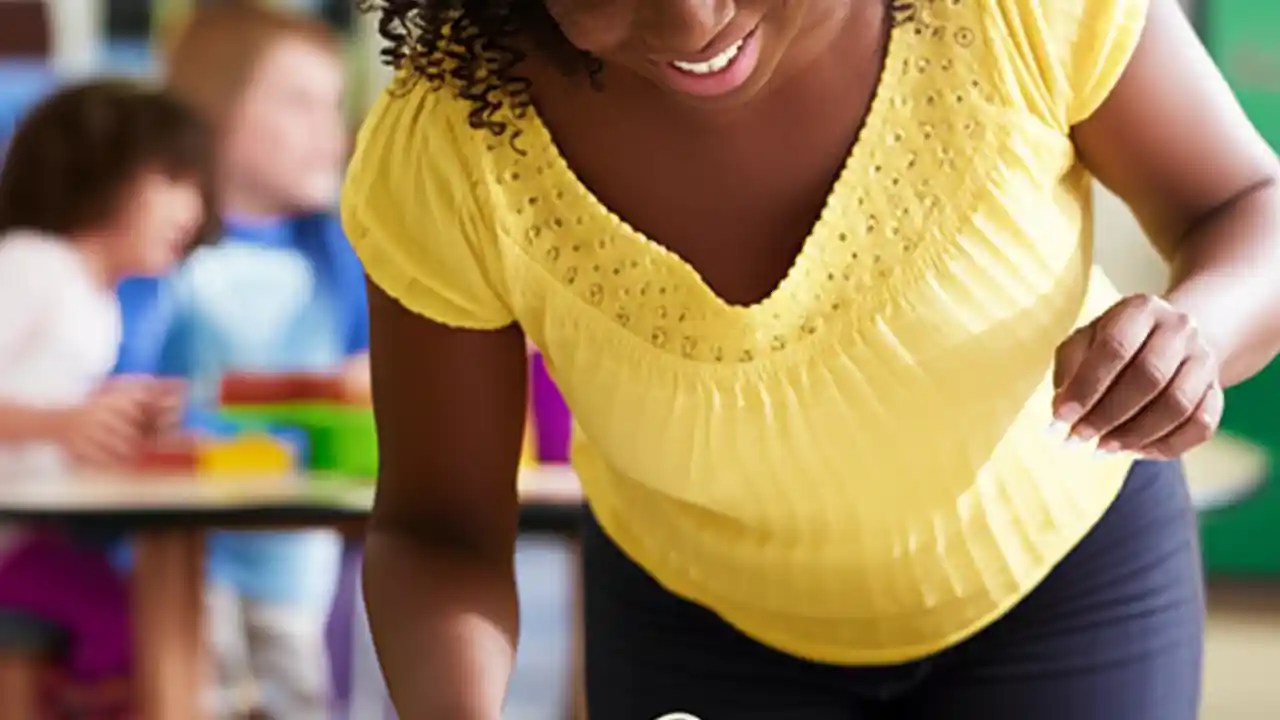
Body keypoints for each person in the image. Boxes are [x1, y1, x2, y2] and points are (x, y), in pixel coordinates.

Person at [346, 0, 1280, 718]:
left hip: (1068, 597)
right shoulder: (454, 144)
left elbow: (1245, 202)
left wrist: (1199, 330)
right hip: (697, 632)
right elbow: (438, 528)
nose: (693, 23)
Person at [114, 3, 366, 717]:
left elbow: (372, 364)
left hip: (300, 558)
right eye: (298, 103)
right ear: (215, 107)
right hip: (183, 554)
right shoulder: (166, 253)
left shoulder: (338, 250)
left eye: (335, 105)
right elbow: (126, 380)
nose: (331, 131)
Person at [0, 79, 214, 715]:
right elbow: (40, 421)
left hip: (41, 536)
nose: (193, 210)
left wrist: (117, 419)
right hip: (16, 545)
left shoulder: (101, 304)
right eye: (174, 179)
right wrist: (60, 424)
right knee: (145, 618)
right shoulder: (32, 264)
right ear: (97, 173)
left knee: (162, 597)